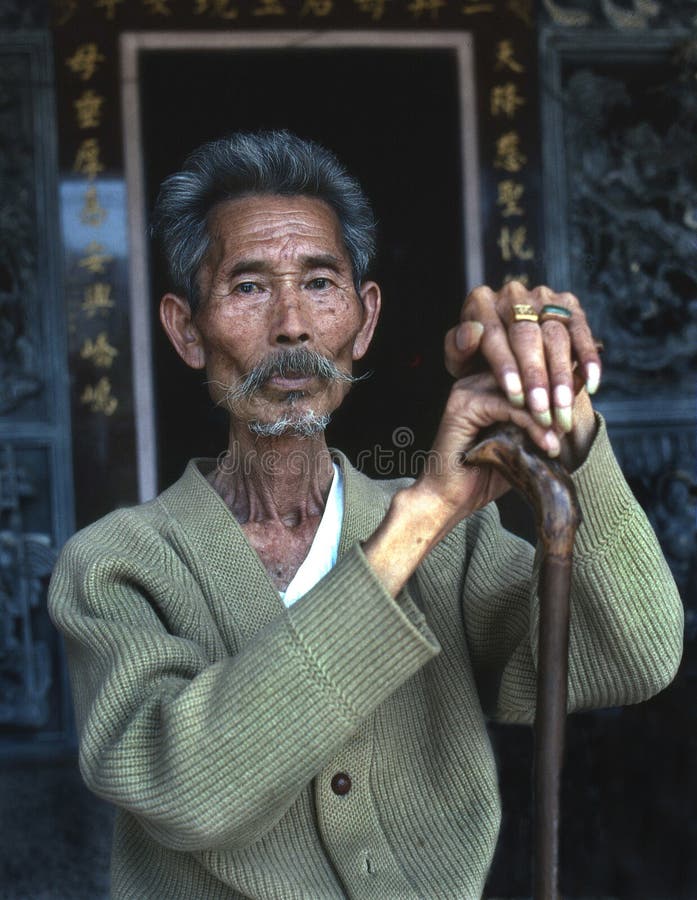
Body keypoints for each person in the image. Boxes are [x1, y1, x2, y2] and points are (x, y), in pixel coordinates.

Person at [48, 131, 683, 900]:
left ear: (365, 316)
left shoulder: (458, 547)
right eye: (248, 287)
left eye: (320, 283)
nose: (291, 324)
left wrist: (562, 409)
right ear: (187, 329)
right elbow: (187, 789)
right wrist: (418, 519)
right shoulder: (115, 564)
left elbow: (633, 655)